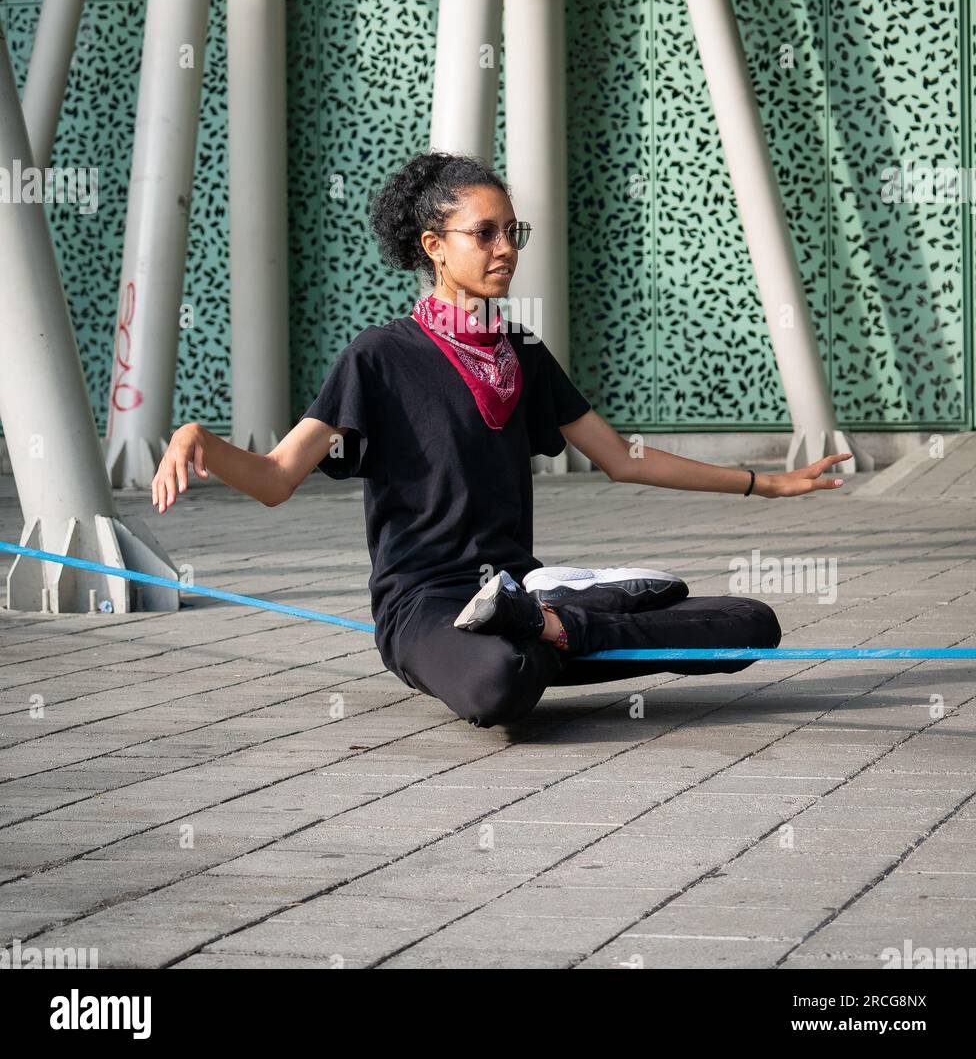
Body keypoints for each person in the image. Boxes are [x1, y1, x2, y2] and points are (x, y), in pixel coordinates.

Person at [151, 151, 852, 729]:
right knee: (498, 687)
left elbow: (621, 458)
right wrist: (197, 438)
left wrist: (766, 483)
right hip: (424, 603)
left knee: (750, 623)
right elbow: (276, 479)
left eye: (512, 231)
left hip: (519, 587)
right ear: (434, 246)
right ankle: (563, 625)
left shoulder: (524, 351)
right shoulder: (377, 358)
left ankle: (554, 620)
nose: (504, 249)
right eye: (483, 233)